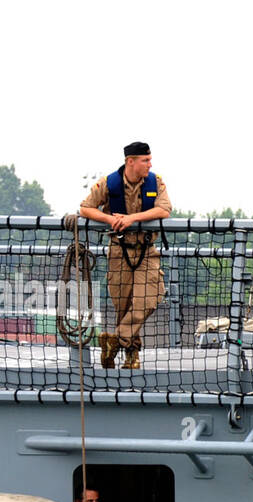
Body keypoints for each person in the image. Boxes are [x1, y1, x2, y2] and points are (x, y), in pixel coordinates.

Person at [79, 141, 172, 370]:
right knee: (124, 305)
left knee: (148, 299)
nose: (150, 164)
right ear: (130, 161)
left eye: (150, 160)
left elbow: (164, 209)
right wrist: (110, 219)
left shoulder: (155, 182)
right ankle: (132, 356)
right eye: (145, 160)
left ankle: (115, 341)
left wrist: (132, 219)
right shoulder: (109, 184)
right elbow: (85, 208)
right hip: (120, 251)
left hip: (147, 251)